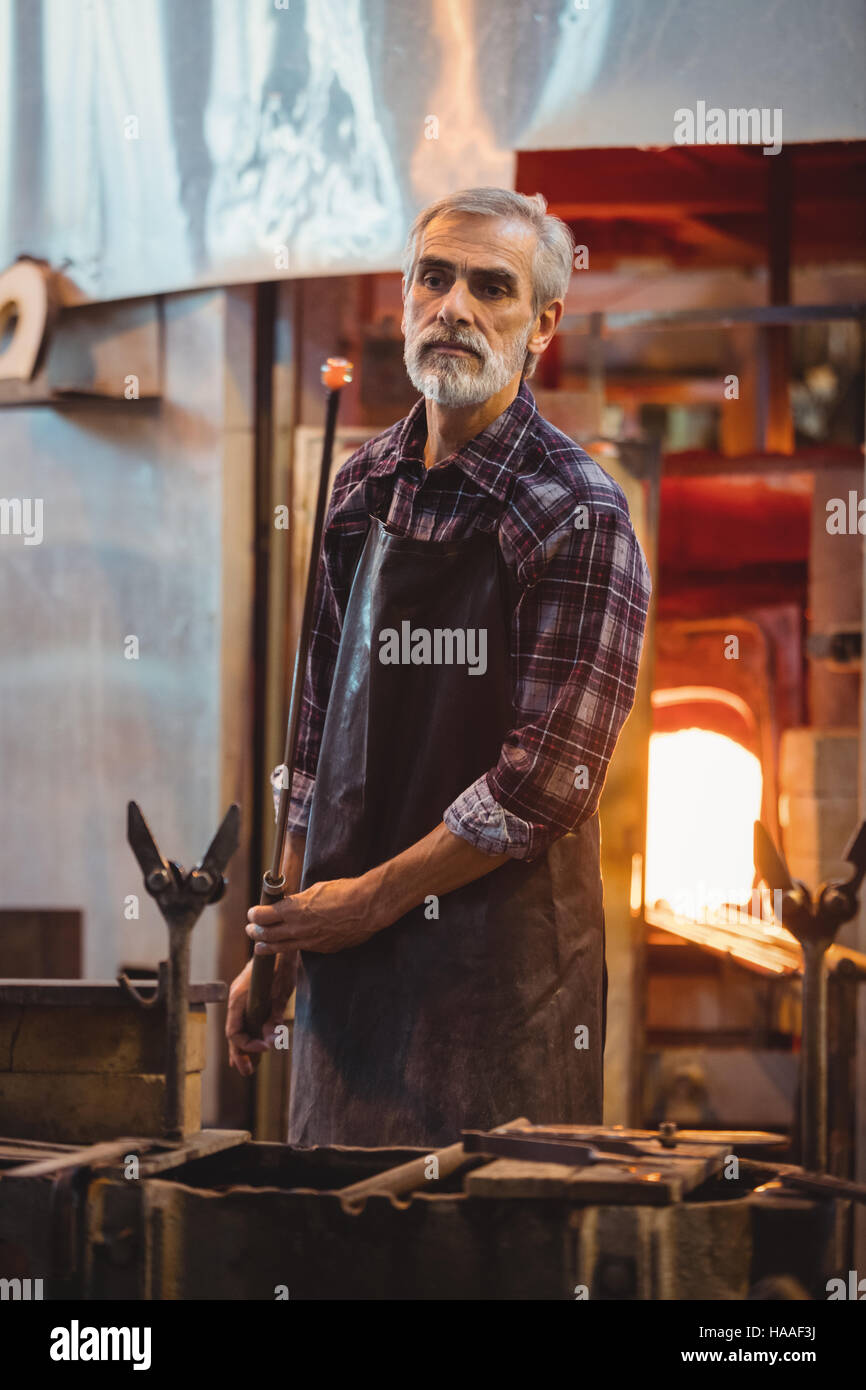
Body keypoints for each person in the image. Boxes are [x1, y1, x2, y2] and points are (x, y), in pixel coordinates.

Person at [226, 187, 651, 1147]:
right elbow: (315, 736)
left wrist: (366, 905)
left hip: (493, 996)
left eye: (491, 287)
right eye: (435, 276)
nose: (454, 306)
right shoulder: (359, 488)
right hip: (347, 981)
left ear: (542, 324)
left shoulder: (575, 512)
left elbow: (543, 786)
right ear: (407, 293)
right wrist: (285, 936)